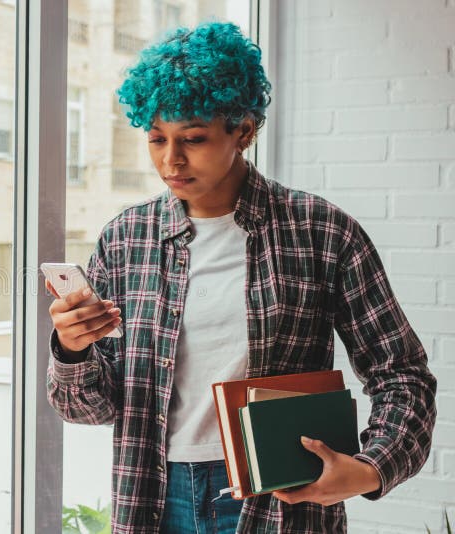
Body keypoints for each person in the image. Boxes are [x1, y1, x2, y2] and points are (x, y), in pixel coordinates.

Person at [44, 21, 437, 534]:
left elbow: (402, 375)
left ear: (244, 131)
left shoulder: (321, 232)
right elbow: (91, 408)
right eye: (156, 138)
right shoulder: (126, 239)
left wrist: (369, 467)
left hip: (279, 502)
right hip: (154, 498)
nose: (170, 160)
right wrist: (72, 351)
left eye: (194, 139)